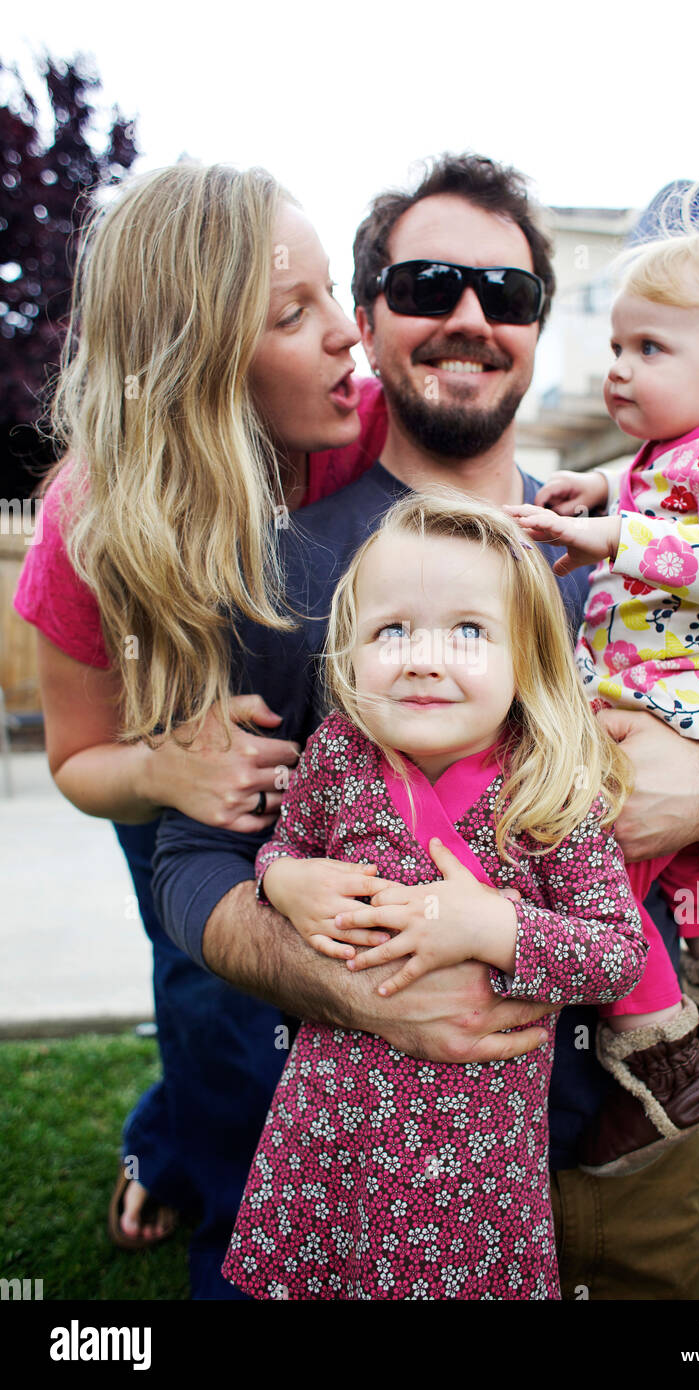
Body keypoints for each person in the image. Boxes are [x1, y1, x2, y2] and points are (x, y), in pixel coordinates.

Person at [152, 154, 699, 1299]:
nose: (468, 318)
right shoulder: (281, 569)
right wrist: (331, 975)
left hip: (624, 1138)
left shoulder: (622, 538)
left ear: (540, 325)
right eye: (426, 285)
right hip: (384, 1148)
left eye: (503, 295)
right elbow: (187, 852)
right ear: (368, 316)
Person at [12, 161, 386, 1295]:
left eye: (335, 293)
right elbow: (76, 760)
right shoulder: (90, 522)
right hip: (162, 786)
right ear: (199, 359)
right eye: (295, 312)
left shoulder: (356, 429)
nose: (348, 334)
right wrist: (169, 767)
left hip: (322, 773)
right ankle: (230, 1226)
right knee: (212, 990)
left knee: (322, 984)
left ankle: (164, 1132)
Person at [221, 491, 647, 1300]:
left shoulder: (549, 790)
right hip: (332, 1136)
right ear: (349, 654)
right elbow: (284, 843)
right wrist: (283, 877)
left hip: (473, 1164)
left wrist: (497, 925)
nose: (422, 657)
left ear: (527, 657)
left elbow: (618, 957)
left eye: (468, 632)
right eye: (391, 630)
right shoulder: (340, 755)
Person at [507, 225, 699, 1175]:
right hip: (677, 704)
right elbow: (673, 490)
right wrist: (601, 483)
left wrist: (613, 537)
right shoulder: (697, 451)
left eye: (649, 349)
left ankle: (666, 1062)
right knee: (671, 848)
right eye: (615, 347)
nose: (617, 369)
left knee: (598, 874)